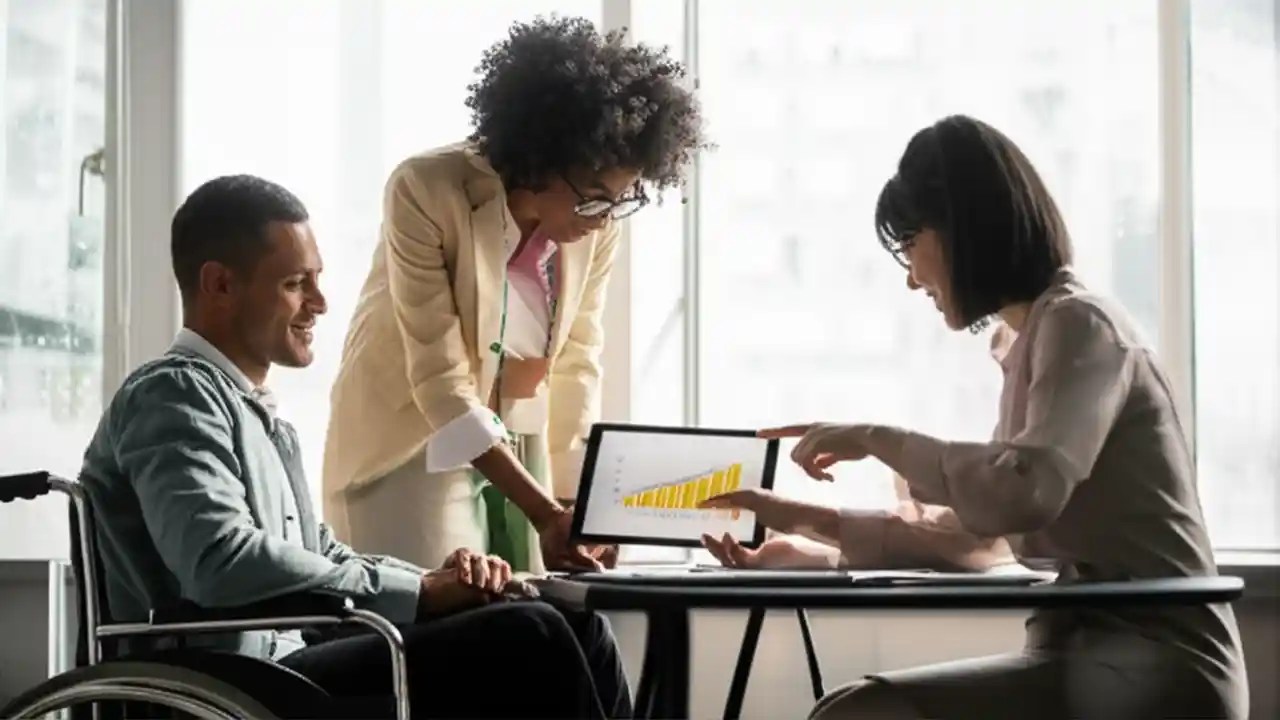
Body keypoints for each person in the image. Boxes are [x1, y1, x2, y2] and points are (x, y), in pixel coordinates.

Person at [699, 115, 1248, 720]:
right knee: (854, 710)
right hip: (1095, 663)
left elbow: (1019, 493)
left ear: (961, 229)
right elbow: (980, 537)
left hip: (1155, 668)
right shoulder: (1031, 340)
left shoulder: (1081, 325)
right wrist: (809, 534)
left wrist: (877, 439)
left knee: (858, 715)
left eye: (910, 244)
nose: (911, 278)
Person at [79, 175, 632, 719]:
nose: (319, 302)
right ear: (220, 284)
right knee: (527, 634)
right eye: (296, 283)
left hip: (290, 663)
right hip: (217, 686)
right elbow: (219, 561)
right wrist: (417, 595)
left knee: (571, 622)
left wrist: (434, 582)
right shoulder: (174, 395)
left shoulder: (257, 412)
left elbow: (319, 550)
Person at [322, 15, 705, 574]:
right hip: (413, 442)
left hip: (520, 442)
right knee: (453, 621)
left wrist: (576, 507)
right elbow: (439, 378)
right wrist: (546, 513)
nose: (602, 221)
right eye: (595, 199)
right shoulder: (427, 189)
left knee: (530, 624)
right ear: (542, 160)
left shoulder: (596, 226)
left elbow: (577, 358)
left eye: (620, 201)